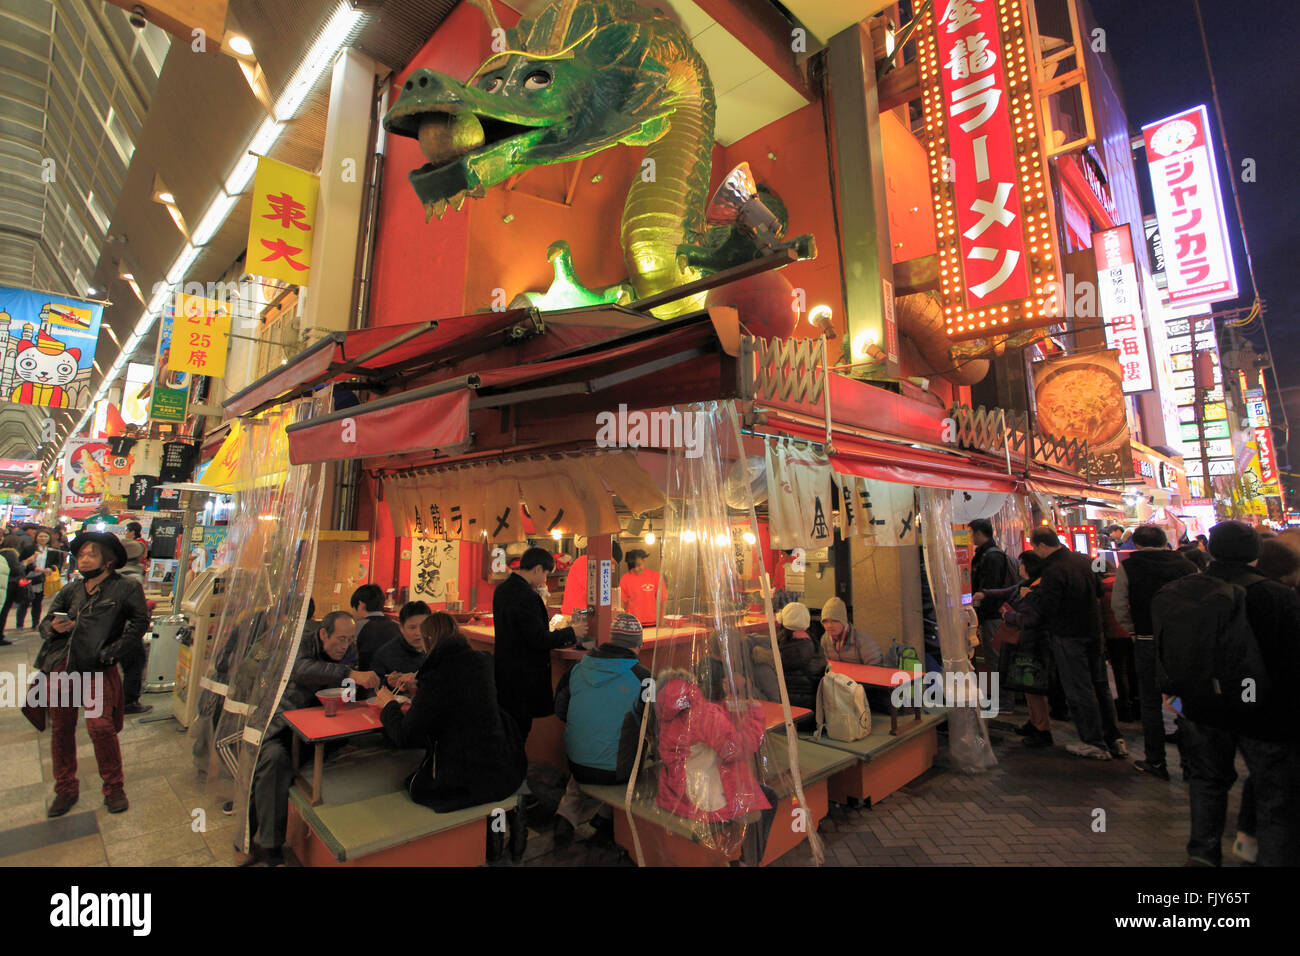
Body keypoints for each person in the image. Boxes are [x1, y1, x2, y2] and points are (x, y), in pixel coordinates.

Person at [1164, 521, 1300, 867]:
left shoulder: (1184, 589)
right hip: (1266, 711)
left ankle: (1202, 856)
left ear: (1210, 548)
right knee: (1274, 796)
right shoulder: (1275, 595)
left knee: (1206, 783)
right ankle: (1264, 857)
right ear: (1255, 553)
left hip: (1202, 705)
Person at [375, 612, 527, 859]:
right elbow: (459, 693)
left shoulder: (436, 677)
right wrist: (418, 683)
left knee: (414, 786)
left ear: (429, 640)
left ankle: (485, 841)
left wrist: (388, 704)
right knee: (494, 796)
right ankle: (502, 830)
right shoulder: (482, 661)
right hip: (505, 764)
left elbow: (404, 736)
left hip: (464, 780)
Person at [240, 611, 379, 866]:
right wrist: (349, 672)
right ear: (324, 634)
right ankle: (269, 849)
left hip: (322, 731)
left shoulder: (348, 651)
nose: (345, 645)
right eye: (340, 639)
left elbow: (349, 694)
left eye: (349, 639)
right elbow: (302, 670)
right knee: (273, 762)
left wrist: (365, 686)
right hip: (279, 726)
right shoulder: (300, 643)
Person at [36, 532, 150, 817]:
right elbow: (46, 623)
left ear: (109, 560)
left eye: (92, 554)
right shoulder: (71, 590)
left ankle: (114, 787)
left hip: (96, 668)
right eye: (82, 554)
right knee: (61, 728)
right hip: (62, 666)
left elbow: (139, 623)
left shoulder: (126, 587)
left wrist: (112, 652)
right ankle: (65, 787)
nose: (84, 559)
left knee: (100, 727)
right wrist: (53, 628)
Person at [1019, 528, 1126, 760]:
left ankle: (1093, 741)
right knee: (1100, 686)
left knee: (1079, 688)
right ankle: (1114, 739)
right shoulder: (1084, 560)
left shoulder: (1052, 569)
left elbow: (1049, 606)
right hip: (1093, 630)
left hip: (1068, 635)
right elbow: (1098, 589)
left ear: (1040, 546)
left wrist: (1030, 596)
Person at [654, 665, 774, 862]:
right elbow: (736, 749)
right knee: (767, 797)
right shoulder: (704, 713)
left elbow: (708, 729)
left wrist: (727, 705)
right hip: (706, 796)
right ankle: (746, 860)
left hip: (677, 791)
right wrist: (755, 717)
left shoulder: (667, 713)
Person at [552, 612, 650, 848]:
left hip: (575, 764)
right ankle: (608, 818)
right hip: (615, 771)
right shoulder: (644, 678)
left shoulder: (577, 668)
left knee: (595, 743)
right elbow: (654, 723)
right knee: (644, 748)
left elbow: (560, 710)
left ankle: (566, 815)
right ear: (638, 645)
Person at [1111, 524, 1199, 780]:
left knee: (1150, 699)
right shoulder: (1186, 566)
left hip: (1147, 639)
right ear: (1164, 542)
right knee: (1184, 698)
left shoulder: (1129, 567)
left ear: (1136, 544)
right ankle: (1191, 761)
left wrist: (1134, 630)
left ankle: (1156, 761)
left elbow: (1119, 605)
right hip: (1182, 641)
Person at [492, 547, 585, 748]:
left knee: (509, 730)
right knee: (519, 732)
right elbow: (539, 639)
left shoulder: (502, 590)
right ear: (537, 569)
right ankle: (516, 776)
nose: (544, 579)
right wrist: (572, 632)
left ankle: (511, 774)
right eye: (545, 574)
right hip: (524, 678)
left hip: (504, 673)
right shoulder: (527, 597)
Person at [977, 550, 1053, 747]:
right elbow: (1007, 591)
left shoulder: (1037, 590)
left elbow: (1031, 619)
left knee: (1034, 688)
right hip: (1026, 643)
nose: (1019, 568)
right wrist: (985, 593)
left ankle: (1042, 730)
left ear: (1028, 567)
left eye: (1021, 564)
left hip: (1034, 644)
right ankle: (1035, 723)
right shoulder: (1025, 585)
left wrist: (1008, 617)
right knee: (1028, 688)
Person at [967, 519, 1018, 686]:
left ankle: (1002, 701)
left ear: (979, 533)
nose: (970, 537)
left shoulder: (992, 556)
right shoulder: (987, 554)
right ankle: (1000, 699)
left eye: (971, 532)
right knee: (993, 658)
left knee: (996, 658)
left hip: (993, 615)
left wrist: (980, 614)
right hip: (992, 614)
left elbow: (991, 587)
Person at [752, 602, 827, 715]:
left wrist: (763, 654)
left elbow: (780, 661)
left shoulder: (799, 645)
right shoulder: (808, 639)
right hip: (806, 702)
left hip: (799, 707)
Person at [115, 539, 153, 716]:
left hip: (119, 628)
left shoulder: (116, 573)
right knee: (135, 663)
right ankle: (129, 701)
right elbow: (131, 606)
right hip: (127, 629)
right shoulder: (132, 575)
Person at [371, 600, 432, 693]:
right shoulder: (385, 654)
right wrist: (388, 683)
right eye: (412, 627)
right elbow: (372, 689)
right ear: (401, 628)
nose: (418, 633)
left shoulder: (439, 650)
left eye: (423, 626)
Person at [560, 540, 623, 616]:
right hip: (574, 615)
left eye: (614, 564)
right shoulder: (584, 561)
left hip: (585, 615)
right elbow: (593, 590)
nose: (612, 567)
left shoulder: (600, 568)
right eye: (611, 562)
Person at [350, 583, 400, 672]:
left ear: (360, 604)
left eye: (353, 607)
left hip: (365, 680)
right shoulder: (397, 626)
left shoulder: (356, 627)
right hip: (394, 680)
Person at [819, 596, 882, 666]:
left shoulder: (865, 642)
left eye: (834, 621)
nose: (829, 625)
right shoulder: (825, 640)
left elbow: (876, 671)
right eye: (825, 621)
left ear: (843, 621)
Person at [15, 528, 56, 631]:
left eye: (45, 536)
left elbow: (56, 563)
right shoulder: (29, 549)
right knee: (24, 602)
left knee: (37, 602)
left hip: (42, 579)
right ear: (36, 537)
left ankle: (35, 623)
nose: (43, 538)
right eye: (40, 536)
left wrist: (50, 568)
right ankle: (19, 624)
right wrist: (34, 568)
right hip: (28, 578)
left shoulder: (52, 550)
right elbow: (22, 562)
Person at [620, 549, 663, 626]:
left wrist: (661, 620)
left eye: (639, 565)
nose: (636, 569)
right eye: (633, 566)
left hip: (653, 623)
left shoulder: (655, 577)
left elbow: (662, 600)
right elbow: (622, 604)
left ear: (644, 560)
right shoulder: (625, 579)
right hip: (632, 624)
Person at [0, 534, 22, 643]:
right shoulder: (10, 554)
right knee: (3, 612)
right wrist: (25, 564)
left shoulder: (3, 553)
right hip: (8, 587)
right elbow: (15, 570)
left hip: (5, 586)